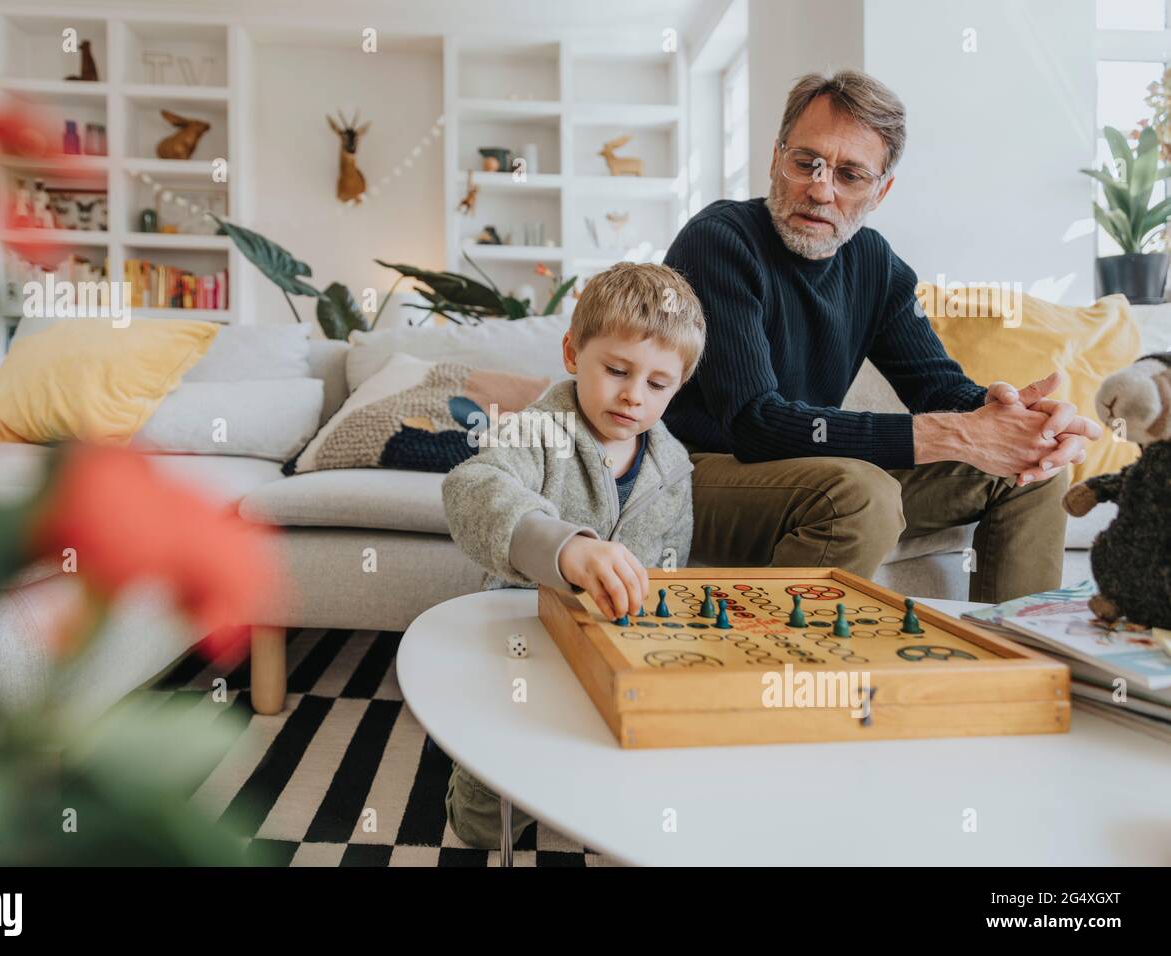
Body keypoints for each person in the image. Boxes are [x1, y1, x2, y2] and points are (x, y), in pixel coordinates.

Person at [663, 70, 1101, 604]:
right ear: (777, 157)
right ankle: (781, 680)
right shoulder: (720, 241)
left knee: (1030, 474)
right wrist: (954, 435)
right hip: (698, 473)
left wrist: (1013, 420)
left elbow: (939, 388)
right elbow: (755, 423)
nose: (821, 189)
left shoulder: (875, 263)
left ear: (880, 191)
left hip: (813, 473)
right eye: (807, 162)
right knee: (861, 493)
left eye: (850, 174)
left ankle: (1014, 669)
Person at [440, 262, 706, 849]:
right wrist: (567, 550)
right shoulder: (537, 433)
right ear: (571, 352)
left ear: (679, 386)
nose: (633, 395)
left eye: (658, 384)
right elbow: (470, 488)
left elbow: (670, 566)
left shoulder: (675, 465)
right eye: (616, 370)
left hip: (617, 645)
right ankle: (477, 762)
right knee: (483, 829)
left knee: (618, 775)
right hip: (524, 635)